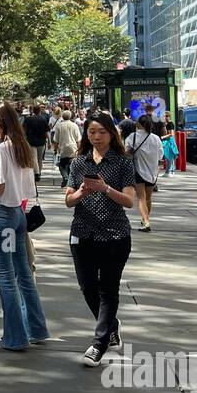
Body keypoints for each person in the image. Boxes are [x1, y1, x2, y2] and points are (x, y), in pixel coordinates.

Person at [0, 103, 49, 352]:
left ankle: (14, 337)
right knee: (23, 273)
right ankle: (35, 328)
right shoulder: (21, 147)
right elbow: (23, 185)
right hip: (17, 215)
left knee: (6, 277)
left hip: (1, 215)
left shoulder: (4, 149)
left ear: (2, 123)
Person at [65, 113, 136, 366]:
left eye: (102, 132)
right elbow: (68, 200)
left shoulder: (122, 162)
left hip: (114, 235)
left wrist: (106, 188)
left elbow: (129, 201)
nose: (96, 136)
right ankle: (111, 325)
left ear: (112, 134)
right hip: (82, 233)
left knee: (108, 289)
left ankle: (99, 343)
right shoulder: (78, 163)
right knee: (87, 288)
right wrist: (82, 192)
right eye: (92, 131)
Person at [125, 115, 163, 231]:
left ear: (138, 124)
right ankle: (145, 219)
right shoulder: (156, 138)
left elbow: (126, 152)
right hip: (152, 172)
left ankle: (146, 222)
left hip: (138, 170)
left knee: (141, 198)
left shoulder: (133, 136)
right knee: (148, 198)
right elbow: (161, 155)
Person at [53, 108, 82, 189]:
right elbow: (78, 140)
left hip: (63, 147)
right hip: (73, 147)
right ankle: (69, 179)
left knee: (61, 164)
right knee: (71, 163)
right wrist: (79, 150)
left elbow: (56, 140)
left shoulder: (59, 126)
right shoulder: (74, 125)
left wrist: (55, 149)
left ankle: (65, 176)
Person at [24, 101, 51, 179]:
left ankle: (36, 173)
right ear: (40, 111)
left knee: (33, 158)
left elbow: (24, 130)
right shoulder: (43, 120)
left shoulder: (28, 119)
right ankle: (39, 172)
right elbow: (47, 132)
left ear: (33, 111)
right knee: (40, 158)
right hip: (41, 141)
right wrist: (49, 142)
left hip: (31, 141)